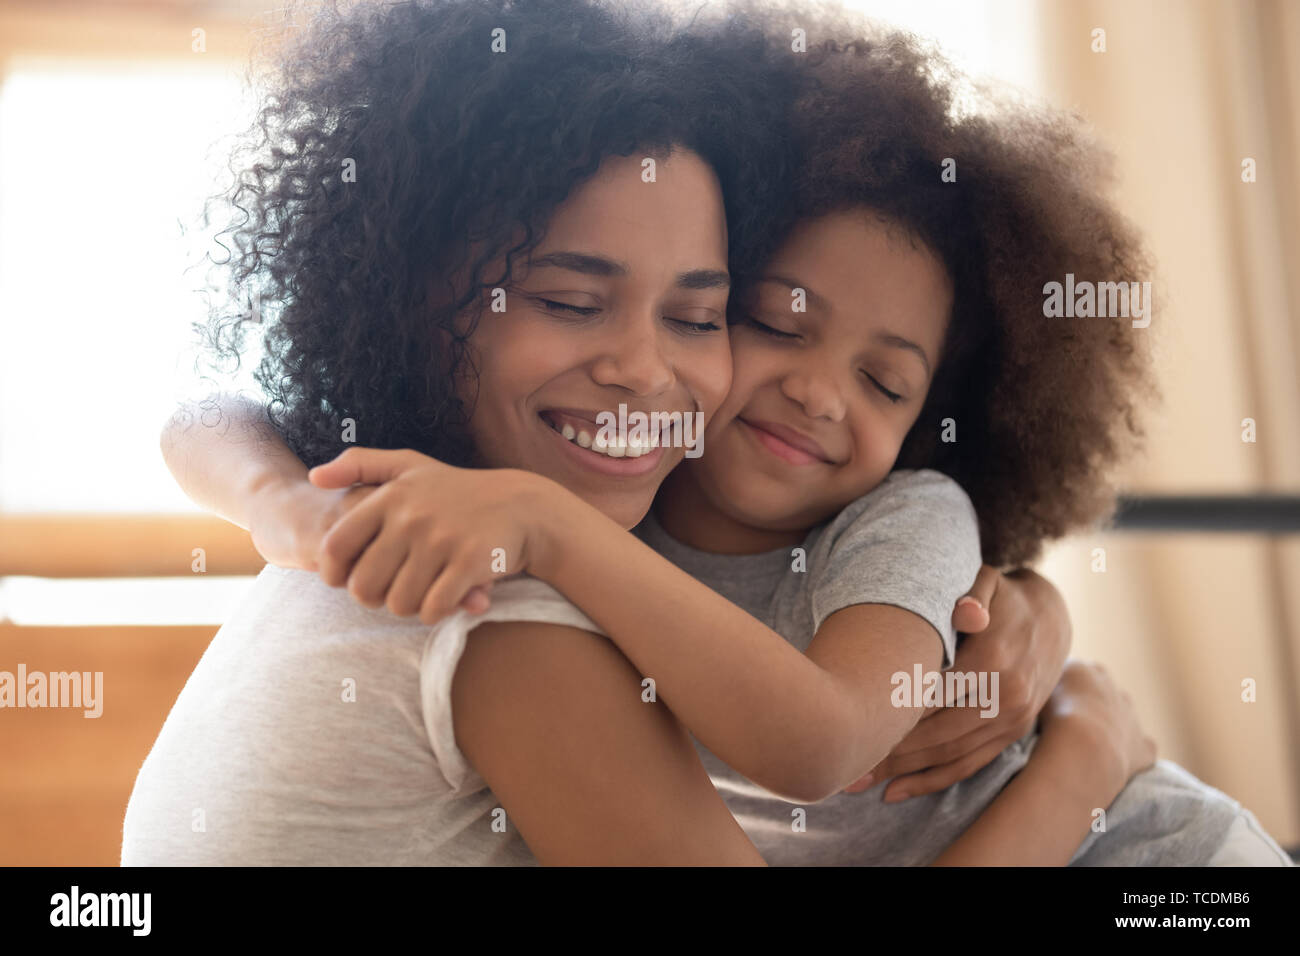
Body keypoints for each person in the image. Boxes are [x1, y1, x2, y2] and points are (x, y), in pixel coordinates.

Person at [166, 2, 1292, 866]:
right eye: (766, 322)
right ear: (400, 289)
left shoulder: (589, 513)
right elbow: (208, 415)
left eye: (693, 314)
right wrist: (291, 504)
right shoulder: (546, 538)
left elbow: (819, 734)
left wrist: (1075, 718)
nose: (644, 364)